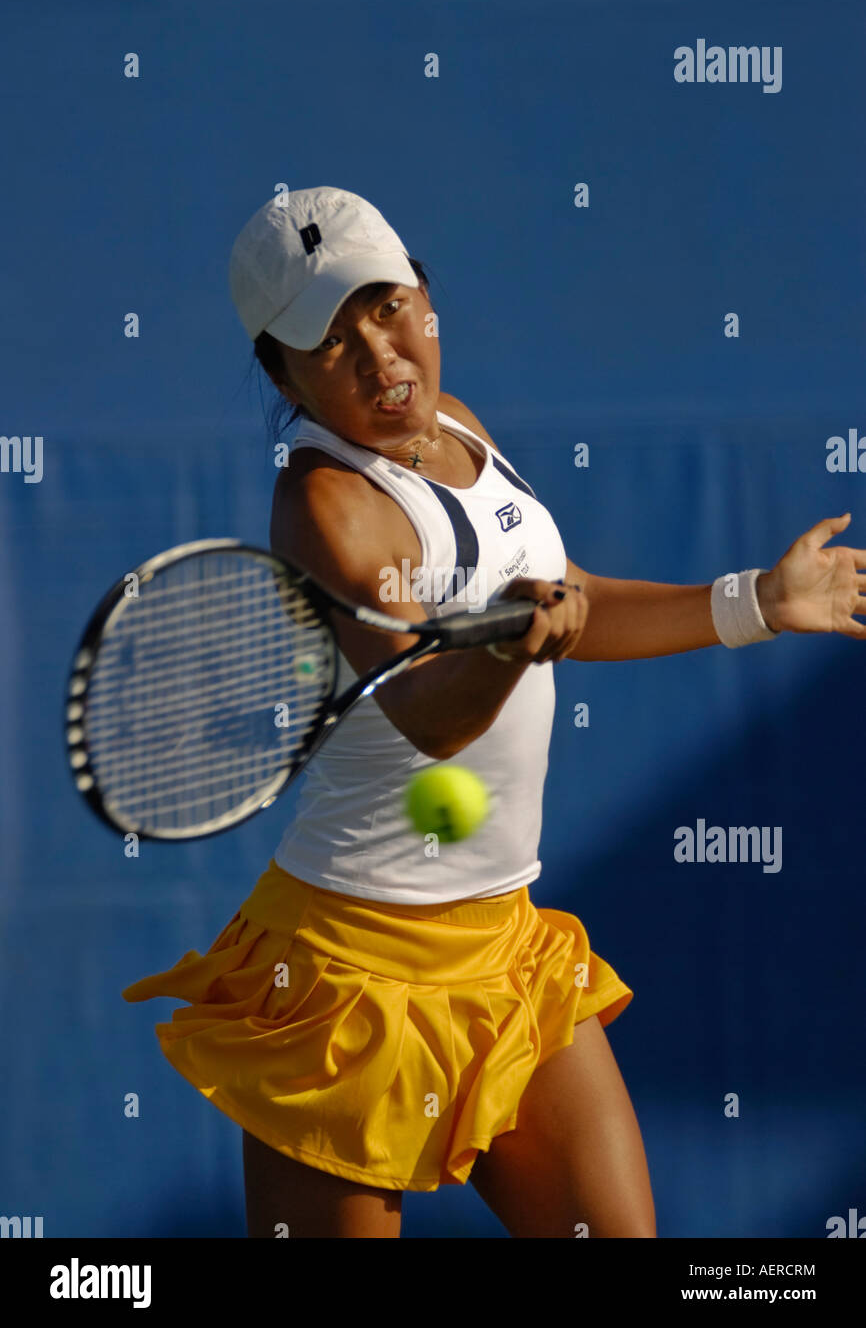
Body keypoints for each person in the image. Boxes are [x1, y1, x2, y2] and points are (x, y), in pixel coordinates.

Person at [123, 186, 865, 1239]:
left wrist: (757, 603)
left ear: (424, 295)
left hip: (504, 948)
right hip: (345, 976)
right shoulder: (326, 504)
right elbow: (423, 712)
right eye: (330, 343)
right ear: (280, 374)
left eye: (386, 306)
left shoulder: (457, 426)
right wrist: (510, 649)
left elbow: (572, 597)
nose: (379, 354)